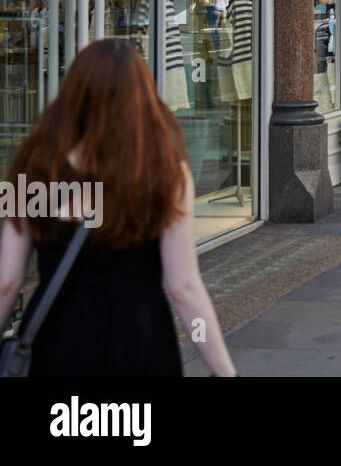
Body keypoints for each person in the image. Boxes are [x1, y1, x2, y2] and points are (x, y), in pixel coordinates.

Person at [0, 39, 237, 376]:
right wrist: (225, 371)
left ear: (73, 96)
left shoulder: (34, 168)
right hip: (139, 342)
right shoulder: (166, 174)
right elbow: (183, 288)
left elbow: (7, 282)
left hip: (54, 342)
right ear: (140, 100)